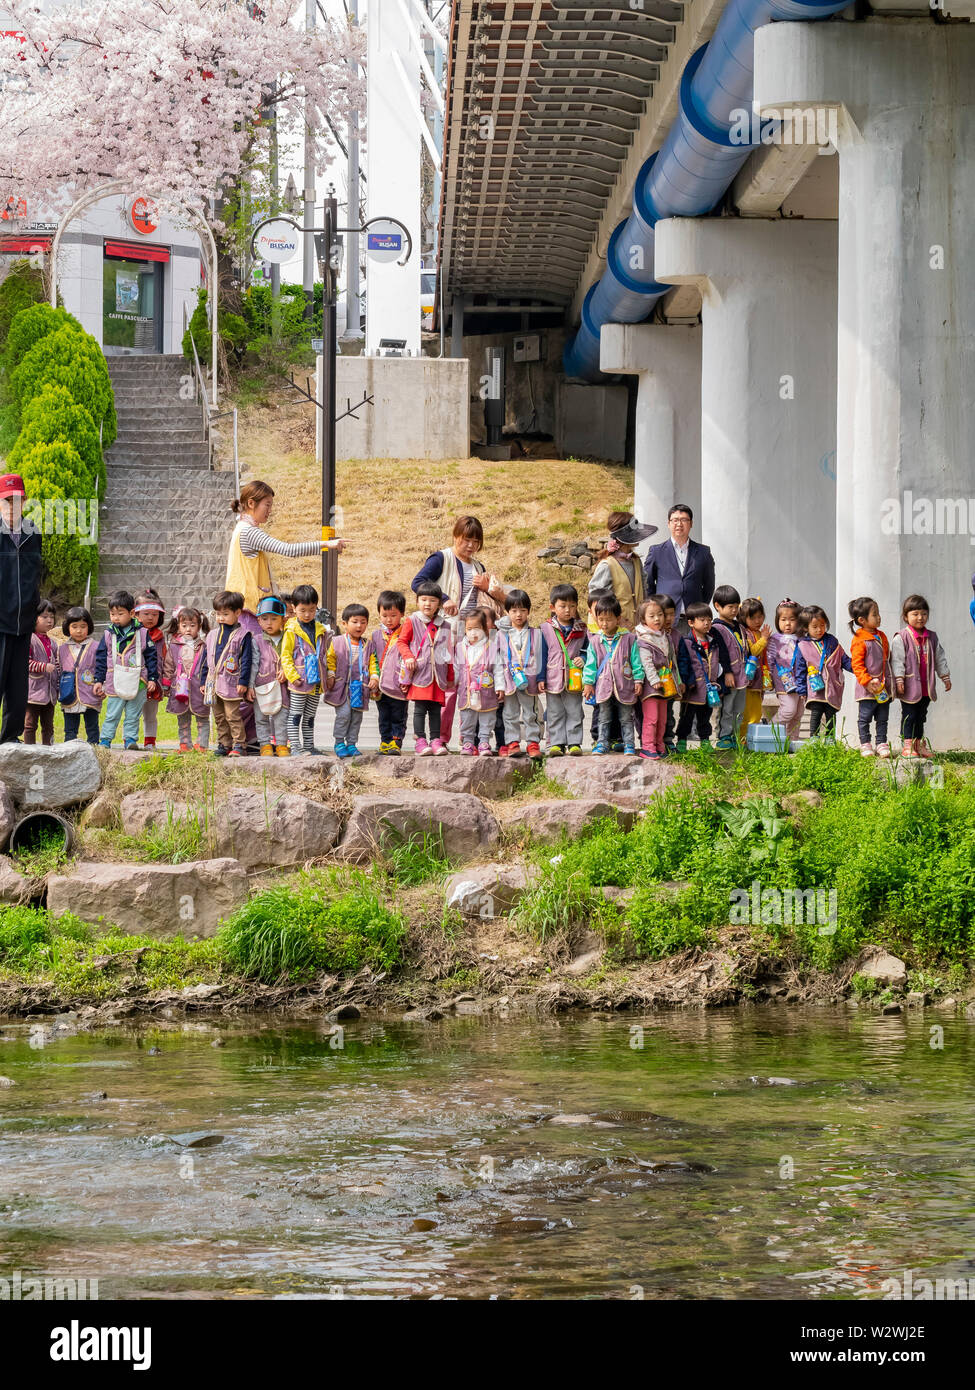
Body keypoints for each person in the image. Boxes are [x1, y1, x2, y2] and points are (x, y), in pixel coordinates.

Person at [411, 515, 507, 746]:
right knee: (449, 686)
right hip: (445, 631)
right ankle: (441, 738)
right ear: (456, 536)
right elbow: (418, 582)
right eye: (466, 540)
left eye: (476, 541)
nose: (471, 546)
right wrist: (443, 599)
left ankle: (469, 738)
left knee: (468, 683)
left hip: (472, 634)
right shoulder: (441, 558)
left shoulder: (478, 566)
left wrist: (488, 589)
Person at [226, 480, 346, 621]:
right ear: (251, 503)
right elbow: (288, 550)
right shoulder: (249, 532)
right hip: (249, 609)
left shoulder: (242, 528)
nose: (270, 510)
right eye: (267, 505)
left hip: (242, 606)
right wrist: (326, 544)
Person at [0, 473, 42, 744]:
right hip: (0, 621)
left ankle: (9, 739)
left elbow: (36, 574)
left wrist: (33, 607)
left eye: (17, 500)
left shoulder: (33, 533)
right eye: (7, 501)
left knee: (18, 685)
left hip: (23, 622)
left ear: (24, 500)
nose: (12, 506)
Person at [93, 590, 160, 749]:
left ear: (131, 613)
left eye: (120, 614)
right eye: (112, 614)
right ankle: (105, 740)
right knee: (112, 713)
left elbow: (151, 657)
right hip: (114, 680)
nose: (115, 618)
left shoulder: (142, 633)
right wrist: (98, 680)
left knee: (133, 714)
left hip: (139, 681)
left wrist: (152, 678)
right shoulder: (108, 634)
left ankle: (130, 740)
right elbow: (102, 658)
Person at [397, 581, 455, 756]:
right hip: (420, 673)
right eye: (423, 599)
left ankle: (436, 741)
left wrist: (450, 674)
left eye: (432, 600)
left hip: (439, 675)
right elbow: (401, 642)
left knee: (436, 710)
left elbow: (448, 652)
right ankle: (420, 741)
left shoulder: (445, 625)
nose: (427, 604)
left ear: (439, 603)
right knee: (420, 709)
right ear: (417, 602)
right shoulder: (411, 621)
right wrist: (408, 656)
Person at [582, 595, 645, 755]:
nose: (604, 623)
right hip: (603, 686)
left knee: (626, 717)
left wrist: (638, 680)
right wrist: (588, 683)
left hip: (625, 686)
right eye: (600, 619)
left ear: (618, 619)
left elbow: (635, 661)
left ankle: (629, 744)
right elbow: (590, 664)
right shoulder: (595, 641)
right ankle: (602, 743)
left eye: (608, 619)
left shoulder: (629, 639)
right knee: (603, 717)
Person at [891, 594, 951, 759]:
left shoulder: (932, 637)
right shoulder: (900, 638)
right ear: (906, 616)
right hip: (909, 686)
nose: (920, 617)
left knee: (921, 716)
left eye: (924, 614)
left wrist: (945, 676)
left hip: (926, 687)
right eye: (915, 614)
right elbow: (897, 661)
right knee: (909, 716)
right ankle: (908, 745)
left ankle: (919, 744)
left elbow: (940, 658)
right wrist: (899, 679)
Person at [643, 504, 715, 630]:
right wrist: (654, 608)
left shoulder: (703, 552)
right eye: (675, 520)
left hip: (693, 618)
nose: (679, 524)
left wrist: (700, 608)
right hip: (664, 618)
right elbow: (647, 584)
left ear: (691, 523)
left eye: (684, 520)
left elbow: (709, 585)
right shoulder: (656, 551)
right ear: (668, 523)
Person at [199, 590, 253, 757]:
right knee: (219, 716)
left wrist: (243, 682)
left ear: (237, 613)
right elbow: (205, 659)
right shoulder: (212, 635)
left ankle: (239, 744)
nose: (220, 618)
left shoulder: (243, 635)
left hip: (231, 683)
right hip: (212, 683)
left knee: (232, 715)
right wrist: (203, 681)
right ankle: (224, 744)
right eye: (218, 614)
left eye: (225, 614)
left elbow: (246, 660)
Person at [494, 589, 546, 759]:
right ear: (507, 612)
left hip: (529, 680)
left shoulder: (535, 633)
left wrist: (540, 678)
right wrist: (499, 684)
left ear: (528, 612)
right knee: (510, 713)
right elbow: (497, 660)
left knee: (531, 712)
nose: (518, 615)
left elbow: (540, 657)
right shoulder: (501, 635)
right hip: (509, 680)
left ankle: (533, 742)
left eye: (523, 610)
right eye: (514, 611)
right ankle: (512, 742)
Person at [674, 602, 731, 752]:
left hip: (709, 689)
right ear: (691, 623)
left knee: (705, 717)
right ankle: (681, 740)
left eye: (709, 619)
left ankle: (705, 740)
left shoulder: (713, 642)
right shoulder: (687, 643)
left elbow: (718, 664)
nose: (707, 623)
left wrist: (718, 683)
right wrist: (687, 682)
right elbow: (683, 664)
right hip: (693, 689)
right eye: (702, 620)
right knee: (686, 716)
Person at [587, 510, 657, 633]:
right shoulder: (607, 565)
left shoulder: (636, 561)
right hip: (614, 633)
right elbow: (596, 601)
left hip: (637, 630)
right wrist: (618, 621)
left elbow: (644, 593)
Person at [539, 583, 588, 756]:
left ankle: (574, 743)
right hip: (553, 678)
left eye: (572, 606)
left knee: (575, 710)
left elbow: (588, 651)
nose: (568, 610)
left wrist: (583, 658)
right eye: (563, 606)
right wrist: (540, 678)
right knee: (554, 712)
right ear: (552, 607)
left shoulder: (582, 629)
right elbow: (541, 655)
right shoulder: (545, 629)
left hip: (574, 679)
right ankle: (556, 744)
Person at [792, 605, 853, 740]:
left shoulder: (831, 641)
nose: (819, 629)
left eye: (822, 625)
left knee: (831, 713)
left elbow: (843, 659)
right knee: (816, 712)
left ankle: (830, 740)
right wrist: (802, 690)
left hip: (832, 686)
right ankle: (814, 739)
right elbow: (800, 670)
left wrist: (858, 668)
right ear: (805, 628)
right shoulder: (803, 645)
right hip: (815, 687)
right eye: (815, 627)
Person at [281, 584, 328, 756]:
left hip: (316, 683)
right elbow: (285, 656)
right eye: (302, 610)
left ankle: (309, 746)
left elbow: (324, 654)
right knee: (296, 715)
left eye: (311, 609)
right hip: (299, 682)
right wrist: (292, 676)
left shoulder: (321, 630)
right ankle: (295, 747)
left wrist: (327, 675)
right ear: (294, 608)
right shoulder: (291, 630)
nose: (307, 614)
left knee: (310, 717)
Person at [849, 596, 894, 759]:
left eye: (878, 613)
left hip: (882, 688)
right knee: (865, 718)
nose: (879, 617)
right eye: (874, 614)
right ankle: (865, 744)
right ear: (862, 620)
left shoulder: (882, 636)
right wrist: (867, 681)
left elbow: (887, 659)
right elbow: (857, 664)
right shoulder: (859, 640)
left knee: (882, 718)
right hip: (867, 689)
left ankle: (881, 743)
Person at [325, 602, 371, 759]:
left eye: (363, 622)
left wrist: (375, 678)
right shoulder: (337, 641)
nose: (359, 626)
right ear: (344, 624)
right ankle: (339, 742)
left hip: (359, 688)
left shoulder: (368, 645)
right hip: (342, 688)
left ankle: (351, 743)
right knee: (344, 714)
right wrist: (330, 675)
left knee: (357, 716)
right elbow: (330, 659)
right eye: (355, 621)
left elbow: (374, 663)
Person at [165, 606, 211, 752]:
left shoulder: (204, 646)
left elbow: (208, 666)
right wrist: (166, 684)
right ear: (178, 626)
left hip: (199, 687)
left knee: (202, 718)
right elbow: (168, 665)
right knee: (182, 718)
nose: (188, 629)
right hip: (179, 687)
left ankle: (201, 745)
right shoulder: (173, 645)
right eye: (184, 626)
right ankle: (184, 744)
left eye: (192, 625)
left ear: (199, 626)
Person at [369, 590, 409, 756]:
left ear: (401, 614)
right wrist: (373, 677)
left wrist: (406, 680)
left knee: (398, 715)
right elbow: (372, 658)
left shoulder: (405, 634)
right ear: (379, 614)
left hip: (398, 684)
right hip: (381, 685)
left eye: (393, 615)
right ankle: (385, 741)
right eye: (384, 615)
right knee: (383, 714)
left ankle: (396, 742)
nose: (388, 619)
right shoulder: (376, 635)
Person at [455, 610, 501, 755]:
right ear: (465, 630)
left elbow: (498, 669)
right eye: (469, 629)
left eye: (477, 629)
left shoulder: (491, 647)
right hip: (467, 691)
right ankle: (468, 742)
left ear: (485, 629)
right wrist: (452, 683)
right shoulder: (460, 647)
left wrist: (500, 687)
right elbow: (457, 668)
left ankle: (484, 742)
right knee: (467, 717)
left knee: (487, 717)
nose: (473, 633)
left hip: (486, 692)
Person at [634, 597, 675, 759]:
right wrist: (653, 680)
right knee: (651, 718)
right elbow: (646, 662)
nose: (657, 619)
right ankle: (647, 746)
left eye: (660, 615)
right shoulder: (643, 638)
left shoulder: (664, 636)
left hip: (665, 684)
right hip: (651, 686)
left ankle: (659, 745)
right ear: (643, 619)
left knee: (662, 718)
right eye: (652, 616)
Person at [249, 596, 289, 756]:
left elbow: (292, 658)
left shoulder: (288, 638)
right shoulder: (256, 640)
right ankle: (265, 744)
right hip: (261, 685)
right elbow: (253, 664)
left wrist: (287, 671)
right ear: (258, 621)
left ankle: (281, 744)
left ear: (283, 620)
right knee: (261, 717)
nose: (269, 623)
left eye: (274, 618)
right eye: (264, 619)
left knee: (282, 716)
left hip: (283, 686)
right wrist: (250, 685)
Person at [711, 586, 749, 750]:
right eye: (730, 607)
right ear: (718, 606)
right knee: (727, 707)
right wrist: (727, 672)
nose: (734, 610)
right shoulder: (716, 628)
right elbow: (722, 654)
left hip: (742, 675)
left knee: (739, 708)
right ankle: (724, 736)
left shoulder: (739, 626)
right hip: (729, 676)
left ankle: (735, 735)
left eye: (736, 606)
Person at [58, 606, 101, 746]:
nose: (79, 630)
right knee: (70, 730)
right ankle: (69, 753)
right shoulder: (62, 648)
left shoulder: (96, 646)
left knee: (92, 728)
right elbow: (59, 671)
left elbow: (102, 668)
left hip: (90, 693)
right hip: (69, 695)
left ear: (89, 626)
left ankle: (95, 752)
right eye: (74, 626)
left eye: (83, 626)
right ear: (67, 627)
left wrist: (102, 685)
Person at [767, 599, 804, 743]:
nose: (787, 623)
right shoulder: (775, 639)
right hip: (784, 682)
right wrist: (769, 677)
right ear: (778, 621)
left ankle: (791, 741)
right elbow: (770, 659)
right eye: (783, 619)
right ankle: (769, 734)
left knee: (798, 713)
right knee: (788, 710)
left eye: (792, 619)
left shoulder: (803, 639)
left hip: (800, 681)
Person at [135, 590, 167, 751]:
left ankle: (149, 742)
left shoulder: (159, 637)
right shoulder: (132, 634)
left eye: (154, 614)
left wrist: (165, 681)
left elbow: (165, 659)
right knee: (133, 713)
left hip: (155, 683)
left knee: (150, 715)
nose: (150, 618)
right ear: (136, 615)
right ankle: (130, 739)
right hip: (135, 681)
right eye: (146, 613)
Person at [24, 598, 58, 745]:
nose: (49, 620)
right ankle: (29, 751)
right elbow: (25, 662)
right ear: (34, 617)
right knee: (30, 725)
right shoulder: (29, 640)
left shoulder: (53, 643)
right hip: (34, 692)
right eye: (44, 617)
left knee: (48, 726)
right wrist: (43, 667)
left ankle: (48, 751)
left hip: (50, 693)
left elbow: (57, 665)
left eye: (51, 617)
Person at [739, 598, 771, 738]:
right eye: (753, 618)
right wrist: (764, 639)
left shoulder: (758, 632)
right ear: (744, 618)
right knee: (749, 712)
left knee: (757, 710)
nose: (758, 621)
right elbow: (752, 651)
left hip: (760, 677)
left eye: (760, 616)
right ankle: (743, 738)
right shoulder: (746, 633)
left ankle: (750, 738)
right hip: (750, 679)